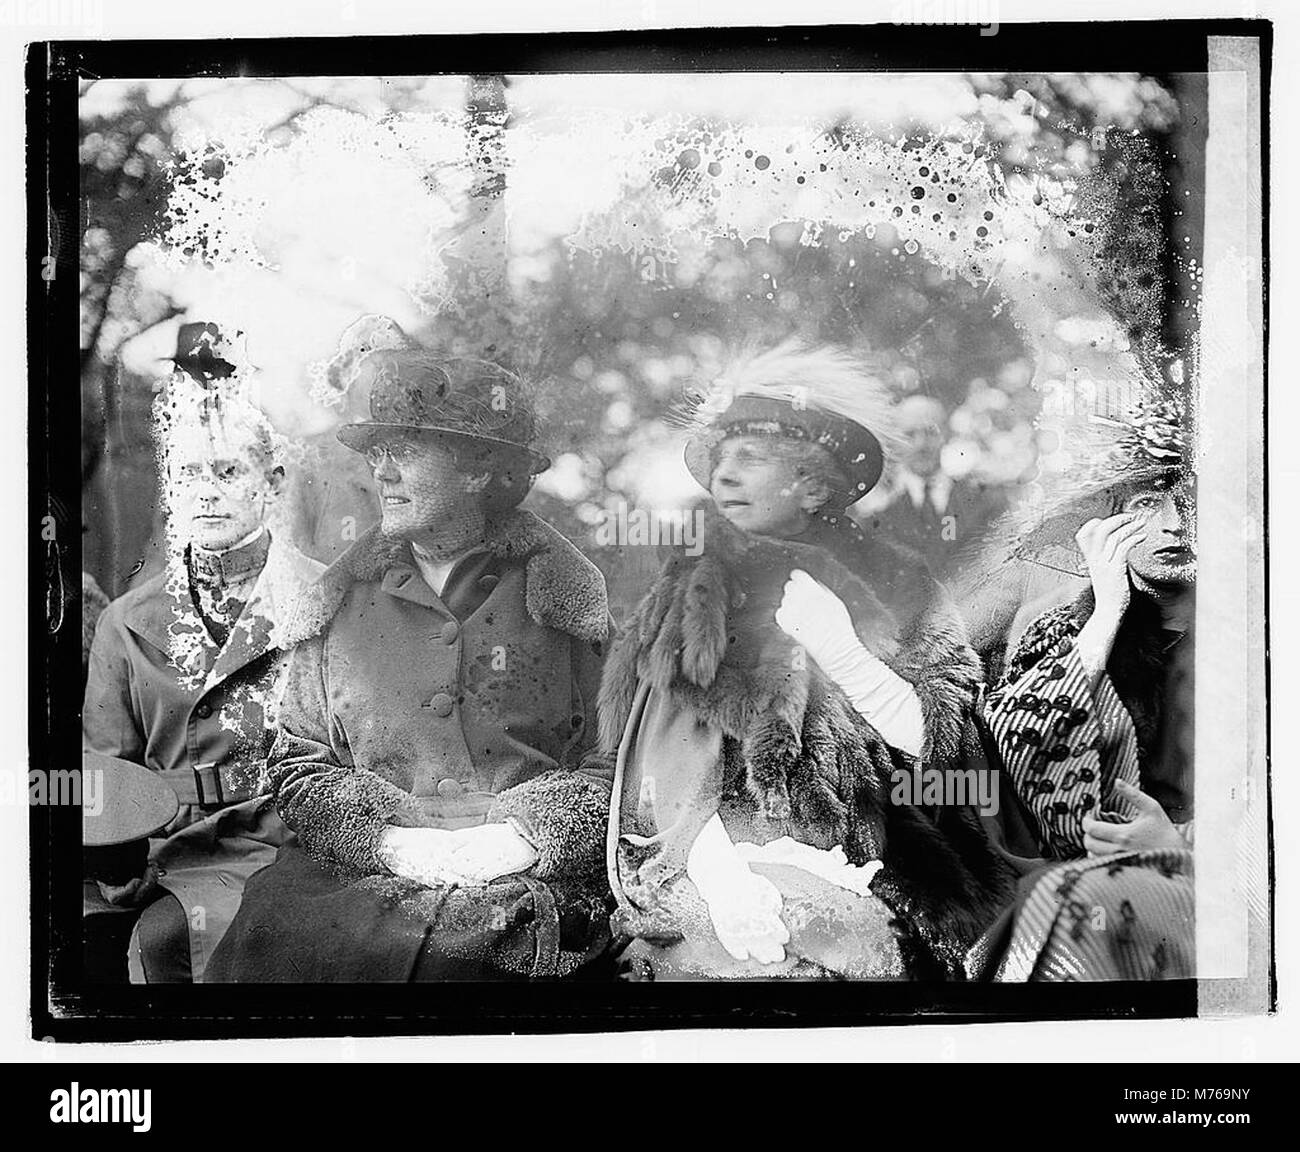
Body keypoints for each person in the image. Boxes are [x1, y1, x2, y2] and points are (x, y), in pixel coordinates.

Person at [600, 341, 1013, 980]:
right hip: (715, 864)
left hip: (889, 865)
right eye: (722, 460)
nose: (725, 477)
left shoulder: (901, 582)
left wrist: (843, 651)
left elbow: (952, 756)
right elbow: (652, 770)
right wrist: (723, 877)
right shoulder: (693, 587)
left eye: (752, 458)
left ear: (815, 484)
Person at [208, 348, 616, 982]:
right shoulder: (334, 604)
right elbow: (298, 762)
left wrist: (521, 839)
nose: (384, 475)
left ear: (483, 470)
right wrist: (390, 844)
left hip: (526, 887)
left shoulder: (565, 600)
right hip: (357, 883)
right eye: (377, 455)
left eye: (410, 453)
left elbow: (614, 759)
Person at [82, 380, 323, 982]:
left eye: (227, 470)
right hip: (178, 859)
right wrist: (123, 862)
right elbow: (105, 781)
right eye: (188, 473)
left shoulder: (331, 602)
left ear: (273, 482)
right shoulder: (127, 623)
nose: (207, 491)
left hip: (305, 851)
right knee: (162, 946)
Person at [969, 402, 1195, 981]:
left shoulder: (1263, 637)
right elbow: (1023, 739)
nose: (1173, 523)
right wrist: (1109, 608)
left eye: (1190, 500)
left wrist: (1181, 845)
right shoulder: (1076, 627)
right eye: (1147, 504)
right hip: (1085, 882)